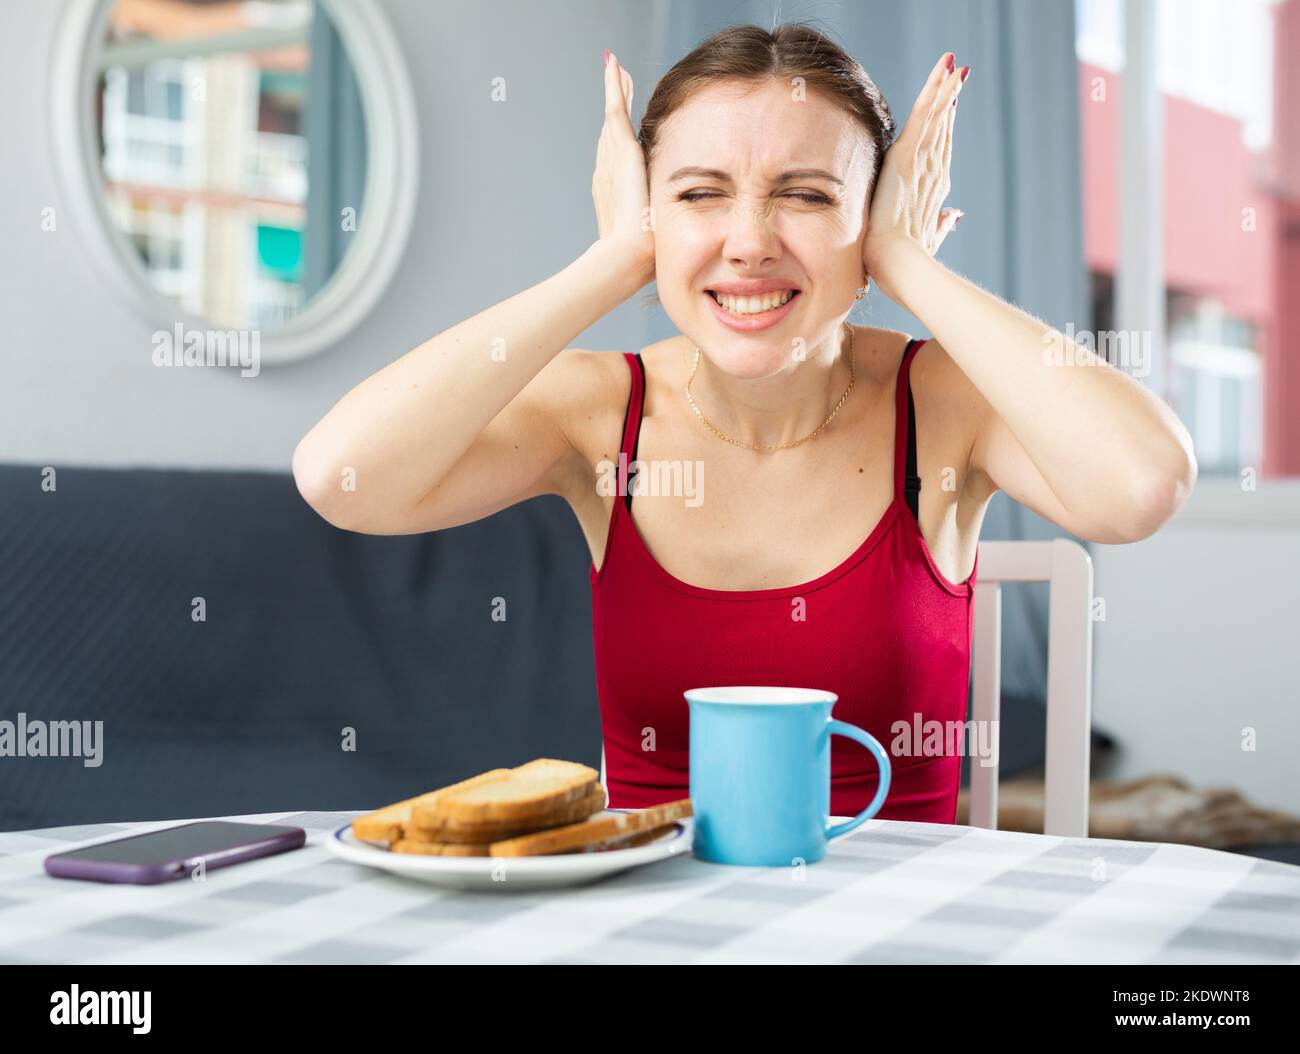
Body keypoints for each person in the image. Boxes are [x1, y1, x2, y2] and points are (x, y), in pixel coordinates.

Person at [292, 24, 1196, 822]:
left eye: (807, 195)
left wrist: (907, 265)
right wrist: (610, 266)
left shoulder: (945, 405)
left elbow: (1141, 485)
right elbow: (342, 478)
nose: (751, 239)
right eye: (699, 195)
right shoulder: (601, 414)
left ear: (872, 218)